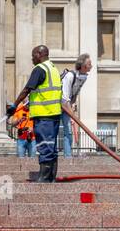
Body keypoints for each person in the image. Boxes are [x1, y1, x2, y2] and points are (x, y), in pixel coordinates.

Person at [10, 44, 65, 182]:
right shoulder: (52, 68)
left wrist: (14, 105)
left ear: (40, 54)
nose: (32, 59)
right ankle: (51, 177)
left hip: (43, 114)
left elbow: (27, 89)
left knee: (44, 145)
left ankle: (44, 178)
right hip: (54, 114)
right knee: (50, 145)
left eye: (33, 55)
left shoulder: (40, 69)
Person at [60, 54, 92, 156]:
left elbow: (75, 93)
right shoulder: (70, 76)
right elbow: (64, 98)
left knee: (68, 131)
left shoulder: (84, 77)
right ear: (83, 65)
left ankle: (68, 156)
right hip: (57, 105)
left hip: (67, 105)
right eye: (89, 63)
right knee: (54, 130)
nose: (91, 65)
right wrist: (72, 115)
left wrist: (73, 105)